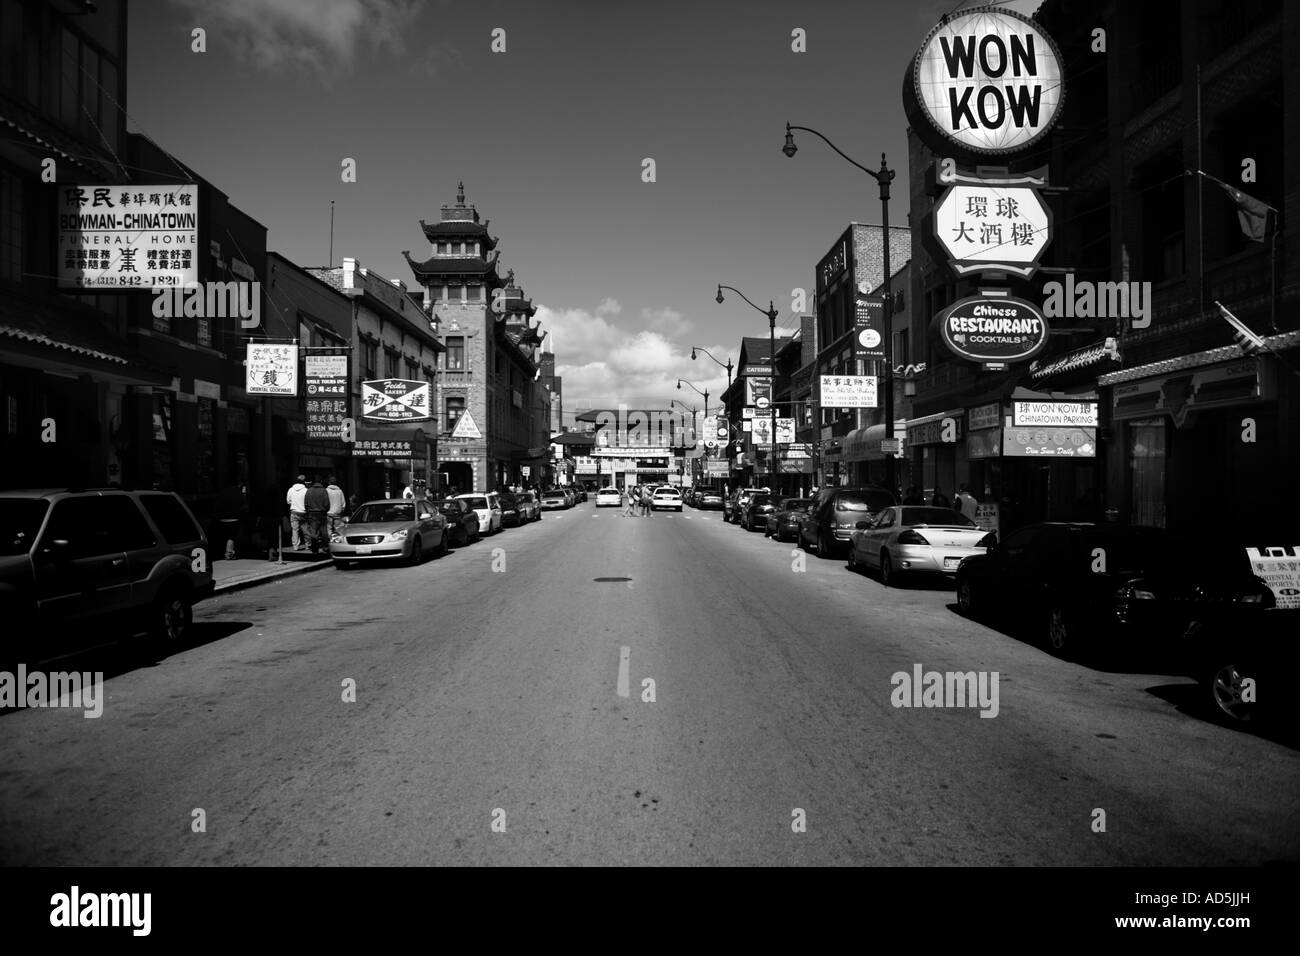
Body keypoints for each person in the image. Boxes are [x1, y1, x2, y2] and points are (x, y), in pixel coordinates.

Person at [304, 476, 330, 553]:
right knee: (323, 531)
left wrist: (308, 511)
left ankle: (314, 548)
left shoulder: (309, 491)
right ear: (321, 481)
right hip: (321, 512)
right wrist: (325, 510)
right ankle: (325, 547)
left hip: (312, 513)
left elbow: (305, 503)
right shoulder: (323, 490)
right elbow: (327, 503)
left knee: (313, 531)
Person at [286, 475, 308, 550]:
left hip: (294, 512)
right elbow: (307, 502)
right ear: (304, 482)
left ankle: (295, 546)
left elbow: (288, 501)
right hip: (303, 512)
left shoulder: (291, 490)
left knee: (295, 530)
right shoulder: (305, 490)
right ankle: (308, 544)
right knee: (305, 529)